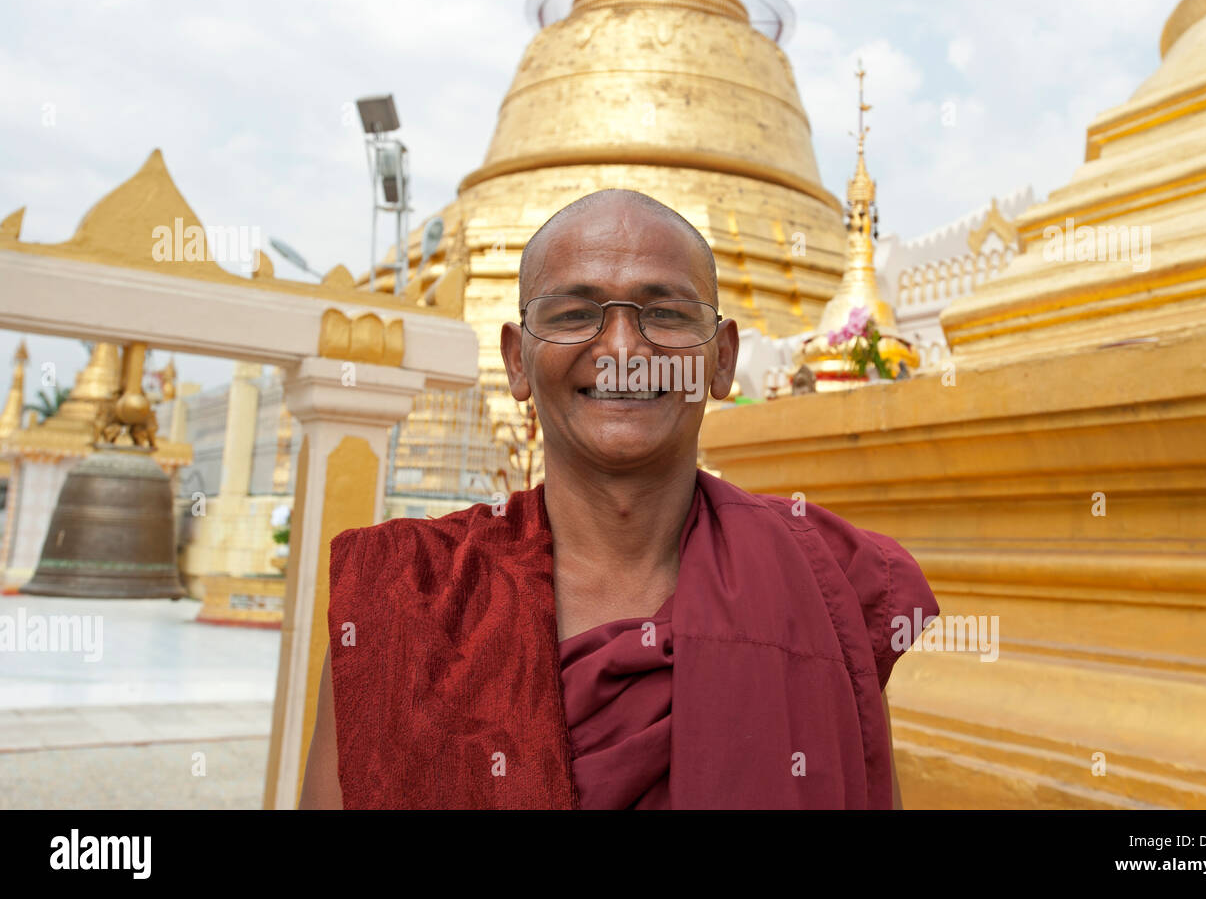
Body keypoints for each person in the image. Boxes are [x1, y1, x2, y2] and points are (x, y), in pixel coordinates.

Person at [299, 188, 939, 809]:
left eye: (665, 313)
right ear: (517, 362)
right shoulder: (406, 597)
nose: (624, 351)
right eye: (574, 313)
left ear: (722, 362)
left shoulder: (824, 588)